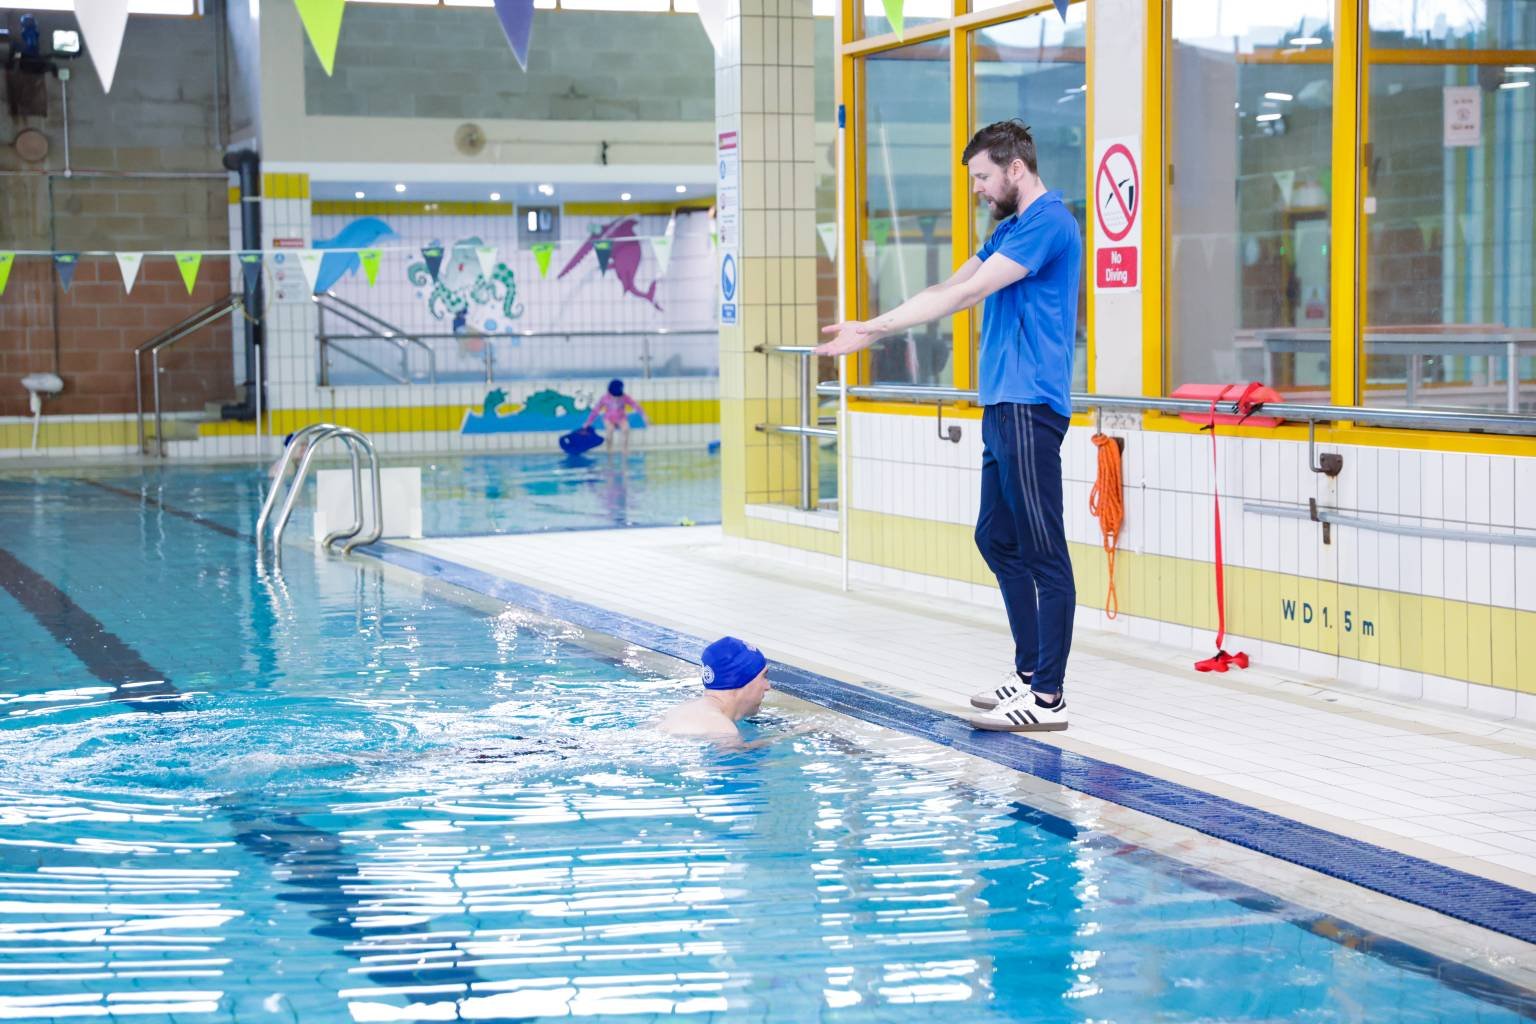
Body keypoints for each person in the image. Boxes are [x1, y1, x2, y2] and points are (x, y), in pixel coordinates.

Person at [814, 120, 1082, 733]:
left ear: (1016, 169)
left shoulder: (1049, 223)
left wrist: (876, 332)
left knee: (1044, 551)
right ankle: (1029, 671)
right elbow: (950, 285)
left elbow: (969, 296)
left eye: (984, 178)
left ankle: (1049, 699)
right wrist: (873, 324)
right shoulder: (1011, 227)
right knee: (997, 538)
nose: (979, 191)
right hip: (1001, 404)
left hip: (1030, 403)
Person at [656, 636, 774, 744]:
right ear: (741, 680)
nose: (768, 686)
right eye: (764, 676)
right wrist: (777, 739)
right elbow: (732, 763)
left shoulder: (679, 710)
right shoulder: (724, 731)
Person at [579, 379, 647, 457]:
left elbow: (635, 405)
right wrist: (588, 422)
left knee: (626, 429)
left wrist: (643, 415)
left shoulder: (624, 397)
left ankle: (625, 449)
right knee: (610, 430)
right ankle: (609, 449)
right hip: (609, 419)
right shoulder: (604, 398)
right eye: (614, 396)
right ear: (609, 392)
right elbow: (596, 410)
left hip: (621, 418)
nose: (616, 398)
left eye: (618, 396)